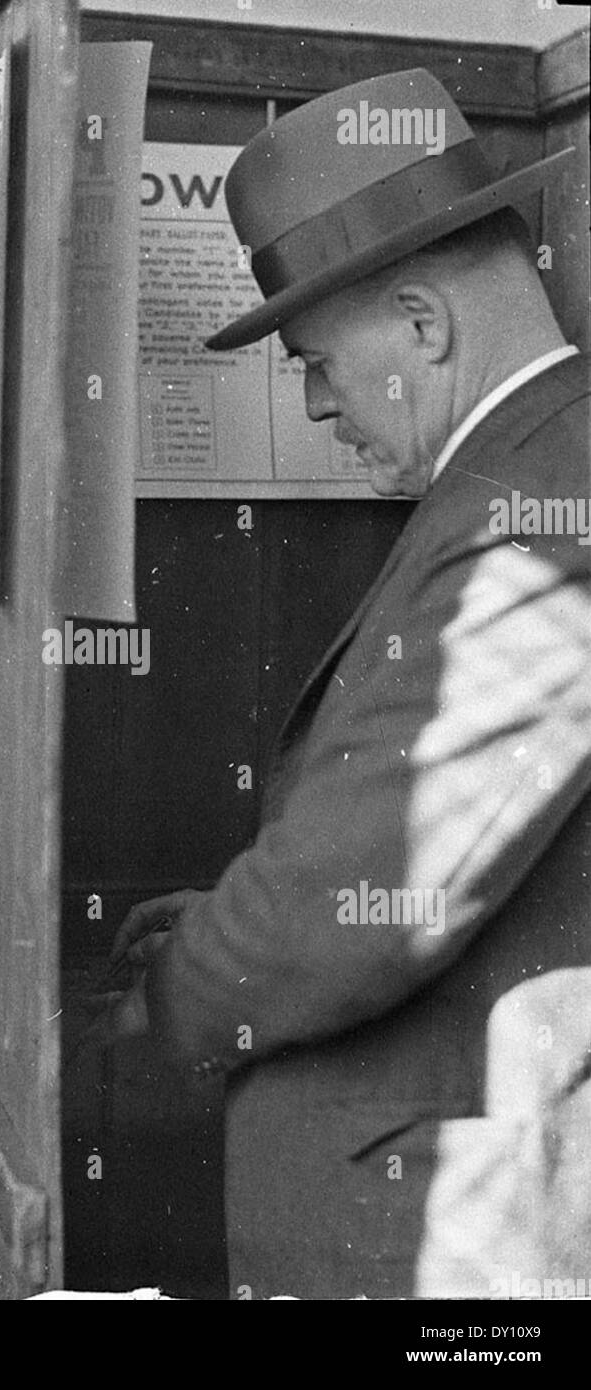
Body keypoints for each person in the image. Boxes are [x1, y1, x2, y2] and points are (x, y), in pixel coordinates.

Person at [95, 68, 591, 1298]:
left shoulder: (542, 514)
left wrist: (181, 982)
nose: (316, 403)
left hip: (455, 1252)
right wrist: (229, 912)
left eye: (316, 359)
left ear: (423, 322)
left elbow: (360, 903)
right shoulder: (524, 477)